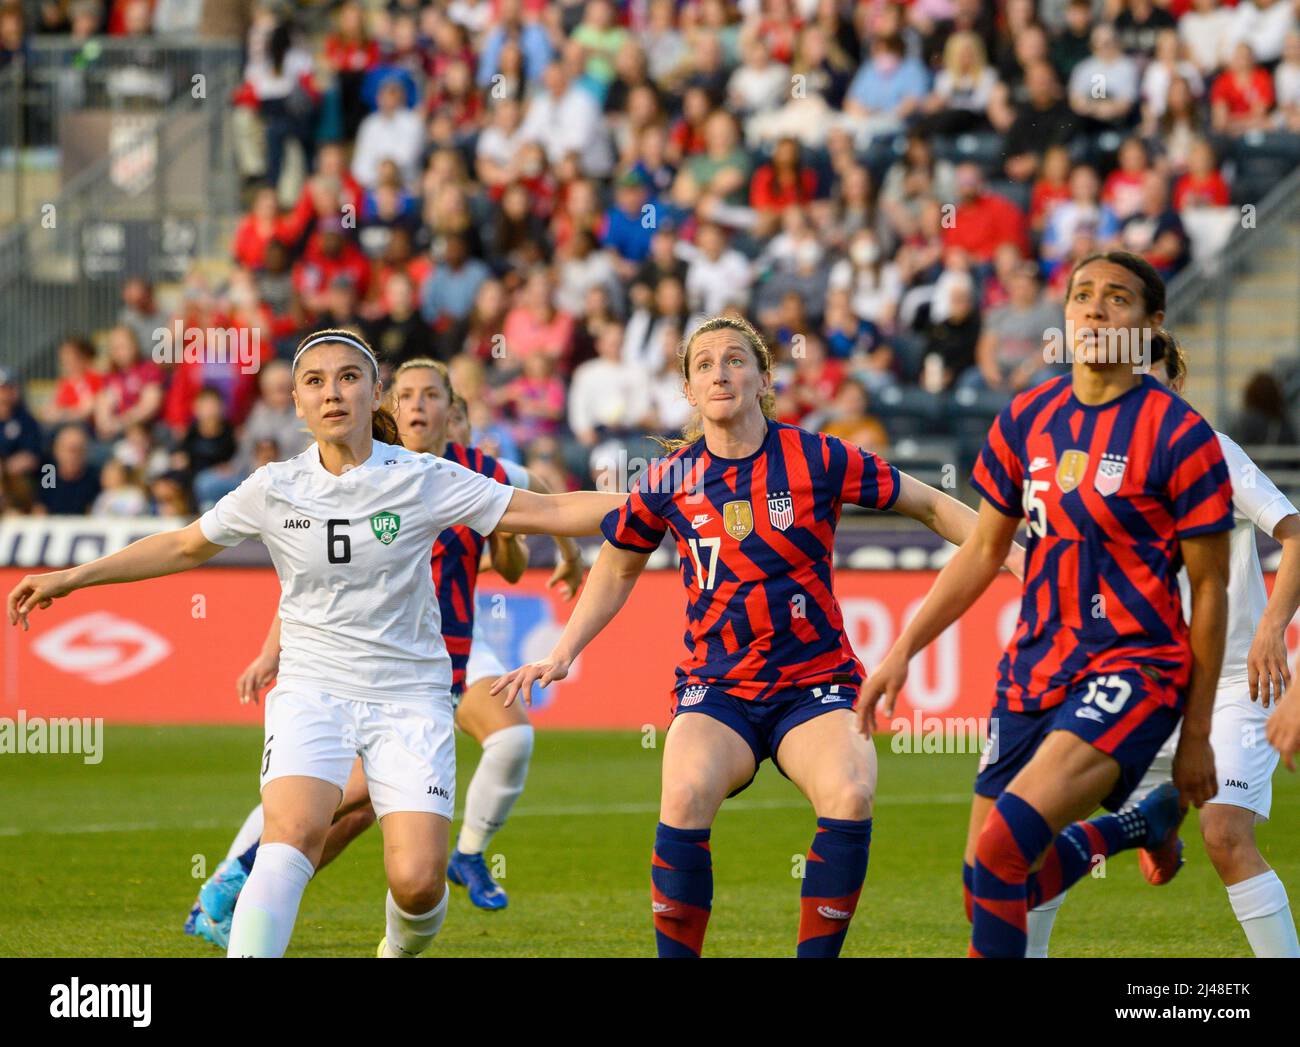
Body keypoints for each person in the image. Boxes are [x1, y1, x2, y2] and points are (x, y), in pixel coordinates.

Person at [7, 329, 624, 959]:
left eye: (349, 377)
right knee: (293, 834)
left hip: (412, 695)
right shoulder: (274, 487)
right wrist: (71, 577)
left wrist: (662, 501)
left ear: (372, 391)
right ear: (296, 405)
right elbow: (183, 545)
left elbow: (548, 512)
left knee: (415, 884)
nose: (333, 392)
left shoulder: (425, 477)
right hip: (312, 690)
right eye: (315, 381)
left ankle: (397, 949)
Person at [493, 314, 1023, 959]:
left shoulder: (819, 456)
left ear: (764, 377)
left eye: (736, 359)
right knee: (684, 794)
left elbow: (934, 505)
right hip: (717, 689)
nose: (721, 372)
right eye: (705, 363)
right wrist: (564, 650)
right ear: (688, 391)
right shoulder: (670, 480)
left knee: (851, 791)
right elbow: (619, 561)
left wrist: (1013, 552)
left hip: (818, 685)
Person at [857, 251, 1235, 959]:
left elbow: (1210, 588)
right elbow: (980, 551)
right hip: (1036, 665)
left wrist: (1195, 733)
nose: (1093, 309)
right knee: (985, 880)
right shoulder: (1028, 416)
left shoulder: (1180, 436)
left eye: (1116, 299)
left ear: (1152, 325)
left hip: (1134, 664)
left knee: (1003, 850)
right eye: (1082, 294)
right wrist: (903, 649)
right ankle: (1130, 827)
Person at [184, 357, 589, 948]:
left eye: (432, 396)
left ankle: (460, 857)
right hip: (356, 666)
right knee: (336, 802)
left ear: (455, 412)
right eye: (407, 395)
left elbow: (540, 507)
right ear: (388, 405)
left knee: (402, 793)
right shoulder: (355, 476)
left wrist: (567, 555)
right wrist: (274, 650)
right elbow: (321, 583)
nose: (419, 407)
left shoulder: (474, 472)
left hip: (442, 655)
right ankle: (237, 876)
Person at [1025, 327, 1300, 959]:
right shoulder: (1090, 469)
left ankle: (1166, 819)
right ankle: (1154, 822)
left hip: (1231, 683)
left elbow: (1296, 535)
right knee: (1034, 828)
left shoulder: (1213, 453)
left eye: (1149, 375)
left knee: (1225, 834)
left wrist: (1270, 627)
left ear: (1175, 384)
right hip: (1135, 683)